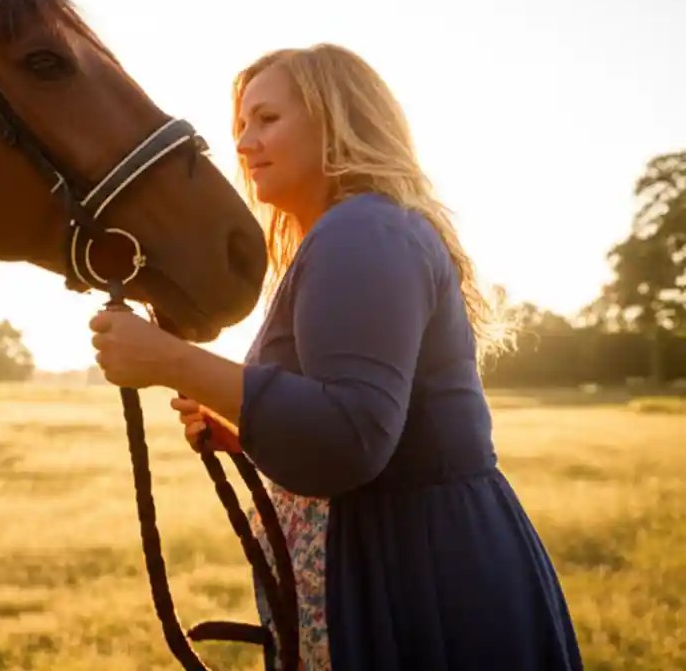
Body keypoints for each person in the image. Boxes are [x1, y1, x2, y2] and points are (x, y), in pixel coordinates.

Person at [89, 44, 582, 670]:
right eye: (241, 124)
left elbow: (351, 433)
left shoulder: (363, 232)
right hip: (409, 559)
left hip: (411, 579)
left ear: (336, 119)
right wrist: (247, 429)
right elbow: (375, 425)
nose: (243, 144)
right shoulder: (357, 232)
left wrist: (172, 361)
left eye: (267, 120)